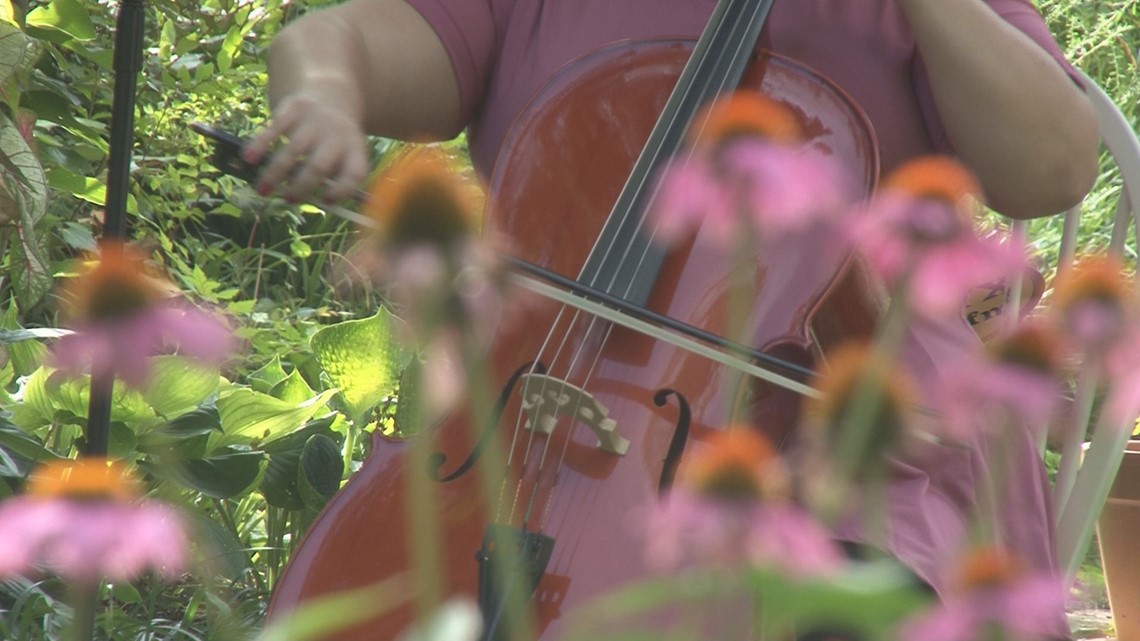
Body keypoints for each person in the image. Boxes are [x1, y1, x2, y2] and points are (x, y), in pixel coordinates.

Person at [244, 1, 1100, 639]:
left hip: (857, 448)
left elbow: (1052, 168)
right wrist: (322, 97)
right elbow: (336, 40)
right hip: (534, 422)